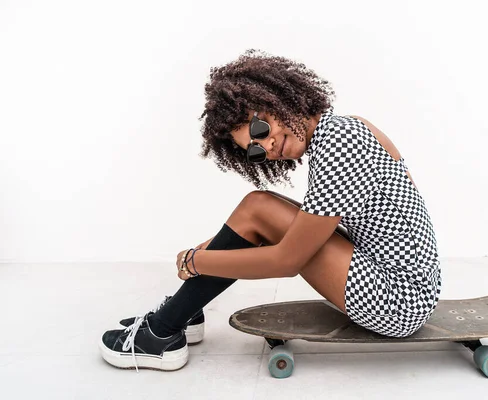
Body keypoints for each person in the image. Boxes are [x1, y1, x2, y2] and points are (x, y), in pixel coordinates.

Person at [99, 49, 442, 371]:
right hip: (407, 284)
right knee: (260, 207)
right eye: (255, 152)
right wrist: (216, 246)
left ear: (274, 101)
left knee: (258, 207)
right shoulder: (349, 128)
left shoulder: (337, 143)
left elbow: (286, 261)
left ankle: (162, 334)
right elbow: (320, 220)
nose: (267, 146)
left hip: (398, 300)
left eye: (259, 129)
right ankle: (181, 314)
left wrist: (196, 260)